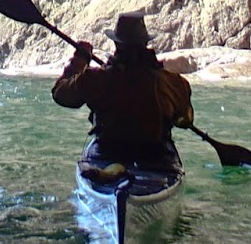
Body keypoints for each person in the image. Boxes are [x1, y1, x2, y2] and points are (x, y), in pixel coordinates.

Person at [52, 12, 193, 171]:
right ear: (145, 43)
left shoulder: (96, 78)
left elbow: (60, 94)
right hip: (156, 156)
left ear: (117, 44)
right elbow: (185, 120)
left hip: (108, 154)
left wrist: (79, 60)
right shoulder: (174, 82)